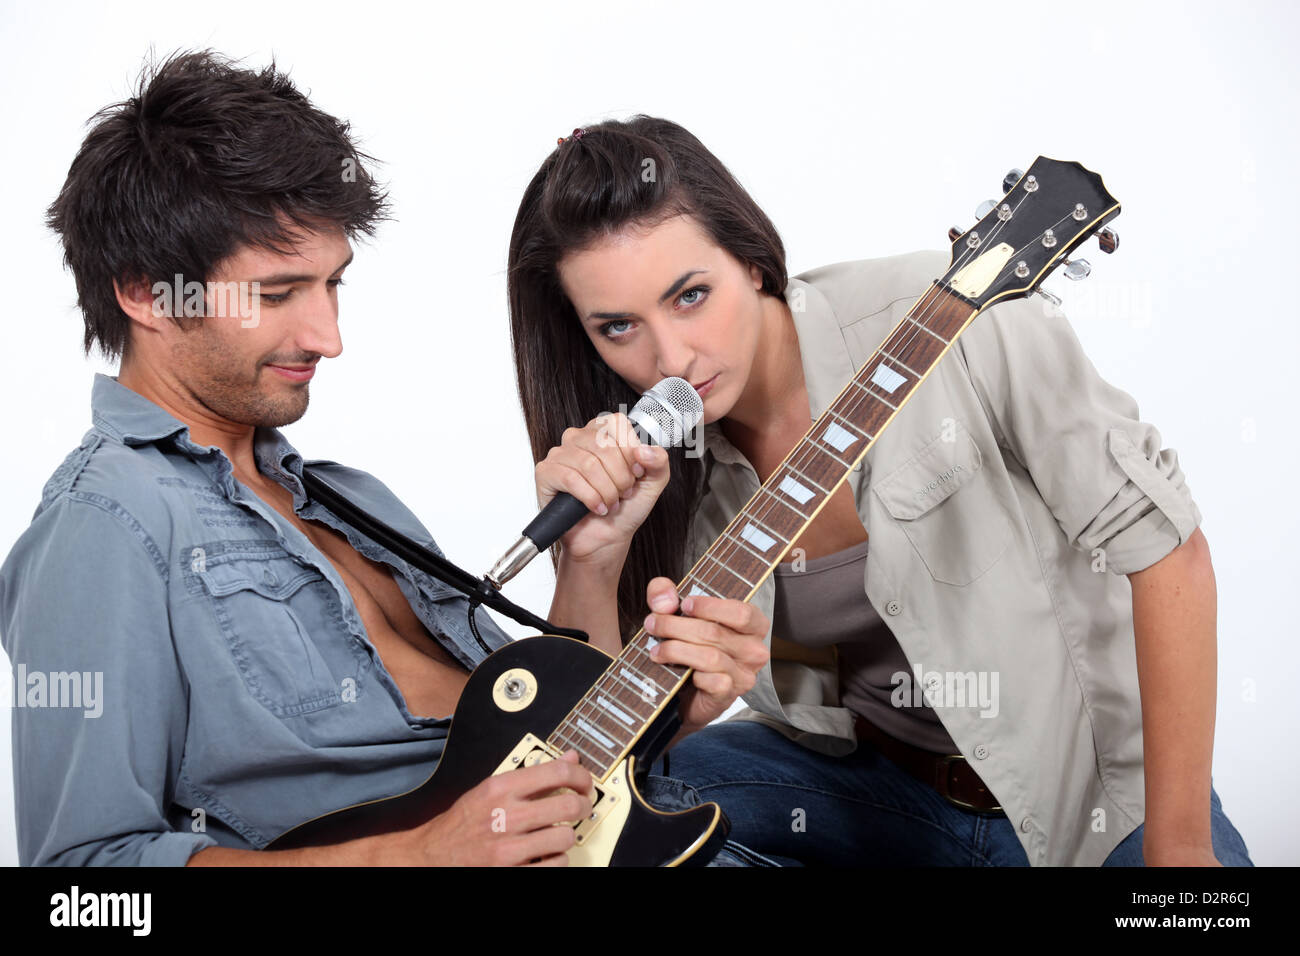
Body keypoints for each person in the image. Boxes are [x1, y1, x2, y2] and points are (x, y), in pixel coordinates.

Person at [0, 54, 770, 867]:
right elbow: (76, 891)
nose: (328, 338)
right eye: (275, 294)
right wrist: (417, 858)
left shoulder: (347, 500)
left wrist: (595, 568)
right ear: (146, 294)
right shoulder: (104, 526)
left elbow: (550, 758)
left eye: (334, 285)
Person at [505, 116, 1254, 866]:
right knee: (599, 828)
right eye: (618, 327)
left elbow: (1169, 553)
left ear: (753, 262)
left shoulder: (950, 317)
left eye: (692, 295)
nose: (671, 358)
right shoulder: (653, 455)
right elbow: (582, 761)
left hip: (1088, 796)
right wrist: (590, 560)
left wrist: (1179, 844)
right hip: (879, 796)